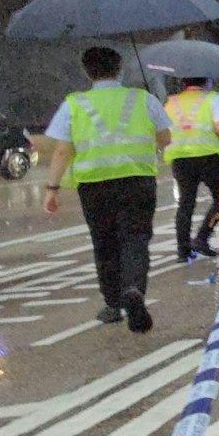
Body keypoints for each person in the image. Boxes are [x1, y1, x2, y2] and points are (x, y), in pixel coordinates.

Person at [41, 47, 171, 332]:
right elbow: (165, 138)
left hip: (94, 185)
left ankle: (113, 304)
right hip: (137, 180)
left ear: (87, 72)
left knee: (104, 243)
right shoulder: (143, 98)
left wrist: (52, 188)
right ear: (120, 69)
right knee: (135, 239)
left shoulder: (74, 104)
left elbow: (62, 150)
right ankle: (134, 289)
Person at [164, 76, 219, 262]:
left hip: (180, 159)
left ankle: (183, 249)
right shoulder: (214, 99)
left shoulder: (171, 103)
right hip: (210, 156)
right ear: (207, 81)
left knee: (186, 203)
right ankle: (202, 238)